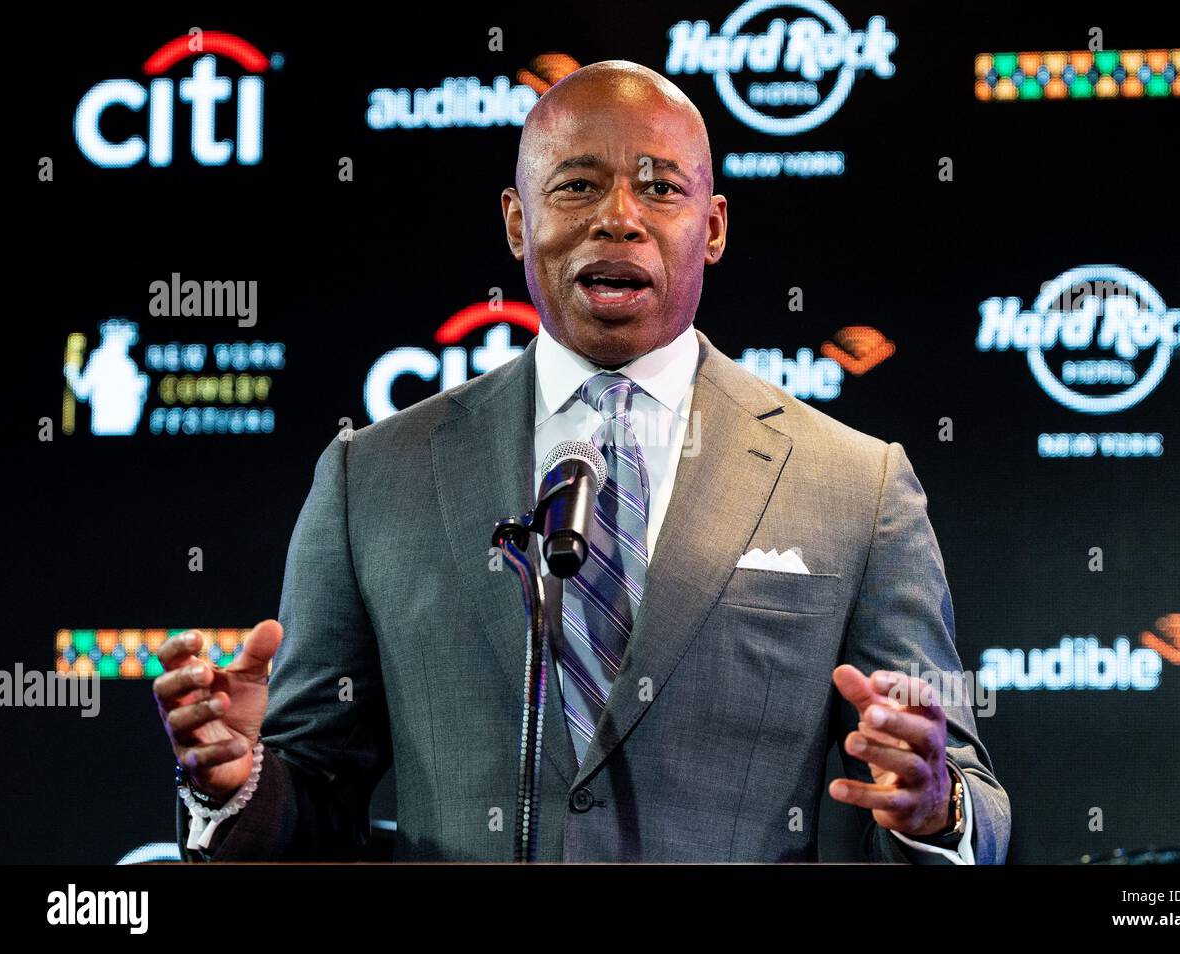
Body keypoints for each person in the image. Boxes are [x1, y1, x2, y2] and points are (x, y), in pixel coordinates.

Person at [153, 60, 1010, 863]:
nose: (619, 216)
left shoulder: (855, 485)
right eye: (578, 185)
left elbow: (968, 788)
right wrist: (239, 785)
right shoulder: (371, 477)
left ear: (711, 228)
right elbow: (316, 790)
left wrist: (937, 808)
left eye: (661, 188)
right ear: (518, 220)